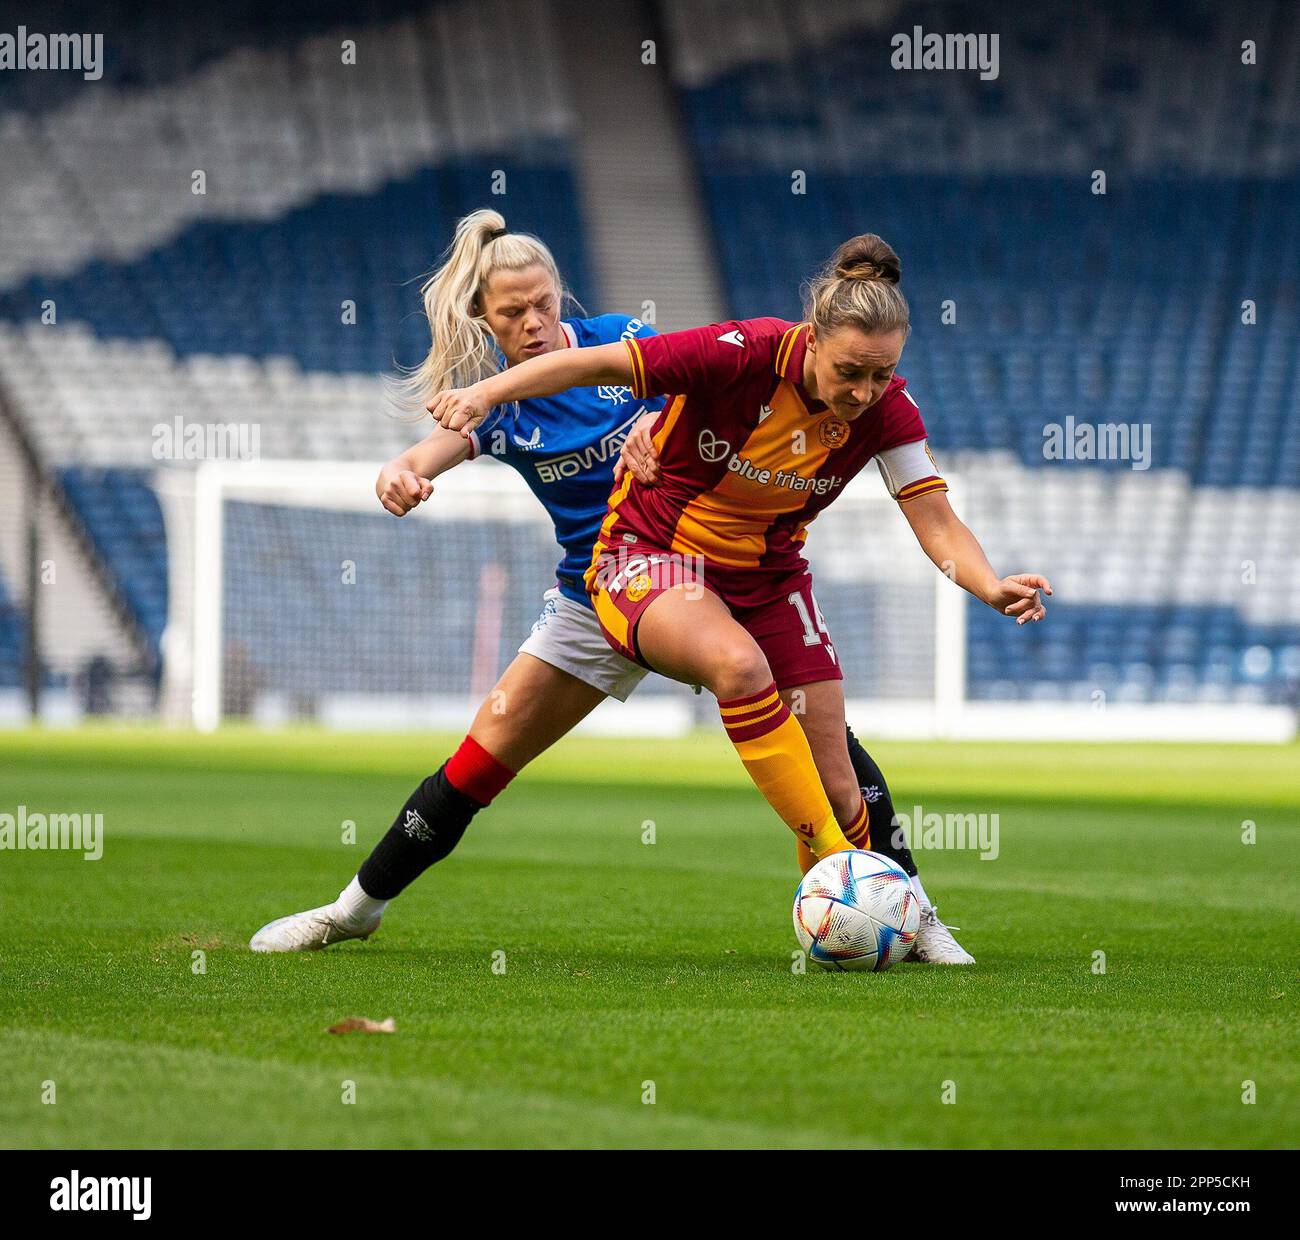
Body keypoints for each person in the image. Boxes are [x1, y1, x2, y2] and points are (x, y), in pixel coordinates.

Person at [250, 216, 972, 962]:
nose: (533, 323)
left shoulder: (616, 339)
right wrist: (403, 473)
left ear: (560, 295)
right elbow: (437, 447)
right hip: (598, 592)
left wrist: (652, 420)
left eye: (543, 304)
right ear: (482, 318)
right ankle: (353, 910)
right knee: (479, 763)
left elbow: (706, 384)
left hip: (708, 574)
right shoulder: (501, 401)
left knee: (833, 751)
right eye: (511, 313)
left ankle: (910, 916)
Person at [427, 232, 1051, 957]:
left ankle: (892, 917)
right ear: (812, 340)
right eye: (850, 372)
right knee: (740, 668)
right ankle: (841, 874)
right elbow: (592, 362)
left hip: (768, 576)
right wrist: (481, 392)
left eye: (881, 377)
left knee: (842, 786)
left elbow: (937, 521)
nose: (863, 393)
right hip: (654, 555)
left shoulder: (889, 411)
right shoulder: (742, 352)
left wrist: (989, 584)